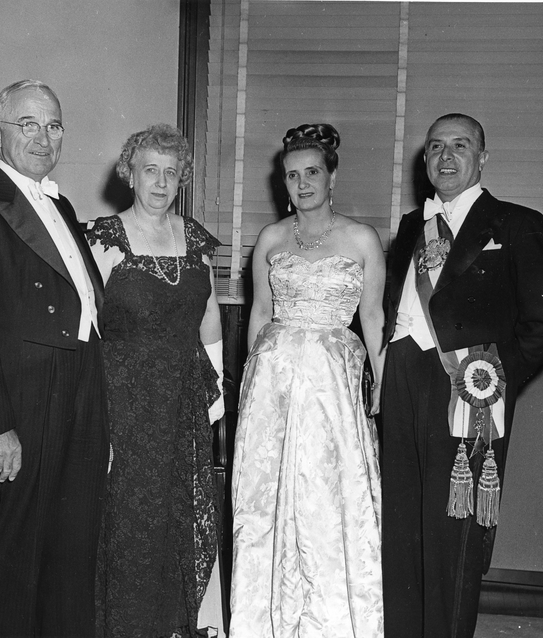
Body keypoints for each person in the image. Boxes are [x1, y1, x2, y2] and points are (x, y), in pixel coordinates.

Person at [381, 113, 543, 638]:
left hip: (466, 386)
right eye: (436, 147)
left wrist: (495, 377)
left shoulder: (513, 223)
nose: (446, 156)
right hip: (401, 375)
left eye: (460, 145)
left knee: (452, 530)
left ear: (482, 157)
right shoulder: (407, 227)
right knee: (400, 522)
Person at [0, 79, 109, 638]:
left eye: (53, 125)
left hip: (79, 390)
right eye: (27, 124)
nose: (42, 137)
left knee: (70, 549)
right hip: (19, 404)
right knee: (8, 559)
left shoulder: (61, 203)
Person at [230, 123, 386, 636]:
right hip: (272, 385)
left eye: (312, 172)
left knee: (325, 498)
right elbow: (259, 315)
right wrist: (249, 387)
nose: (301, 184)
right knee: (267, 501)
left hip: (331, 389)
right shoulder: (271, 238)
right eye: (291, 175)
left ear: (332, 176)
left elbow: (374, 319)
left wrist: (380, 383)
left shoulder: (362, 238)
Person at [86, 123, 225, 638]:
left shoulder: (195, 240)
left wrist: (214, 406)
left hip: (185, 399)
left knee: (180, 519)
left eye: (171, 172)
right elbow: (89, 328)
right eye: (151, 170)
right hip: (123, 402)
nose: (161, 182)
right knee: (129, 525)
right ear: (130, 174)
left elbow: (209, 319)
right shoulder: (102, 239)